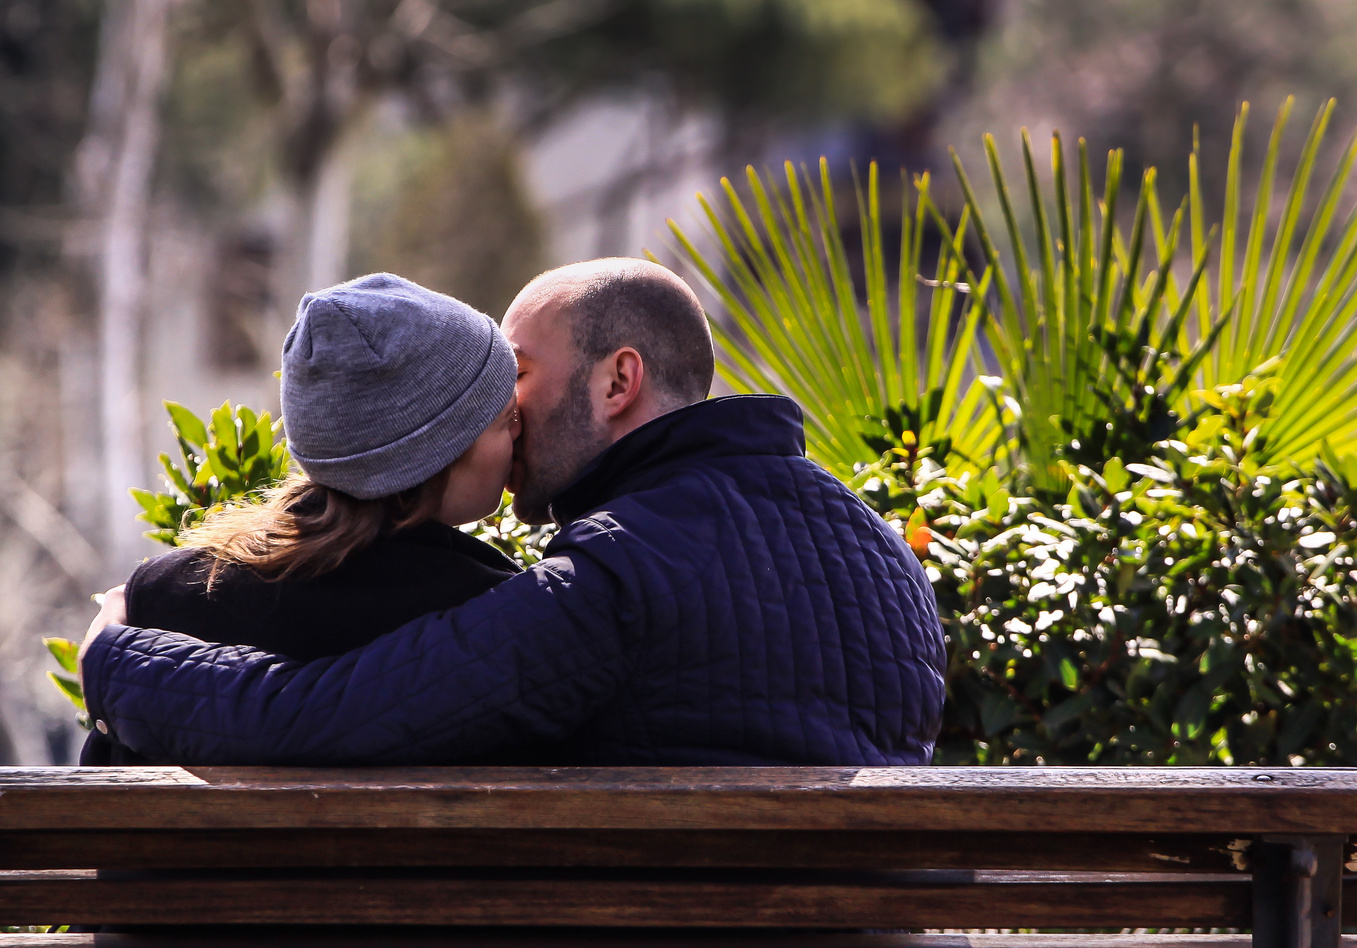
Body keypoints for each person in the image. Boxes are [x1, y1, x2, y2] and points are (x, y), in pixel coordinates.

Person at [79, 257, 946, 767]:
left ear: (619, 380)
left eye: (518, 372)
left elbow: (328, 715)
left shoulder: (617, 575)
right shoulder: (884, 555)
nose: (508, 407)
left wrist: (116, 659)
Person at [81, 272, 522, 764]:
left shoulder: (167, 596)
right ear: (438, 453)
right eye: (504, 419)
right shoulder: (493, 613)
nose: (519, 432)